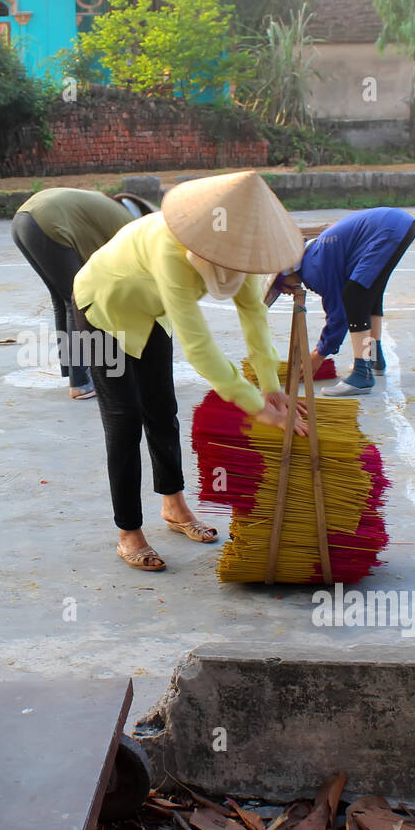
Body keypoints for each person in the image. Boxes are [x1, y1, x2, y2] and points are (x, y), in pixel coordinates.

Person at [72, 172, 307, 572]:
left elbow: (254, 316)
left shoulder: (239, 253)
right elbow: (199, 347)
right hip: (102, 310)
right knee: (125, 420)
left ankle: (174, 506)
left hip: (149, 315)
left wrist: (270, 387)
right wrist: (254, 406)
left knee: (163, 410)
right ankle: (129, 532)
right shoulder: (170, 248)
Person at [11, 188, 154, 399]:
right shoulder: (131, 228)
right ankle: (82, 382)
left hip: (23, 221)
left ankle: (73, 370)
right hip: (46, 222)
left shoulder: (108, 211)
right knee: (78, 299)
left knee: (63, 299)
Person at [265, 208, 415, 397]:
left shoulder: (312, 266)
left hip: (389, 229)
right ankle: (374, 359)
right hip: (399, 224)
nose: (285, 292)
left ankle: (362, 374)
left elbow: (338, 313)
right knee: (370, 293)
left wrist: (319, 354)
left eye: (281, 287)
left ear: (286, 272)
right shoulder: (315, 254)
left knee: (354, 296)